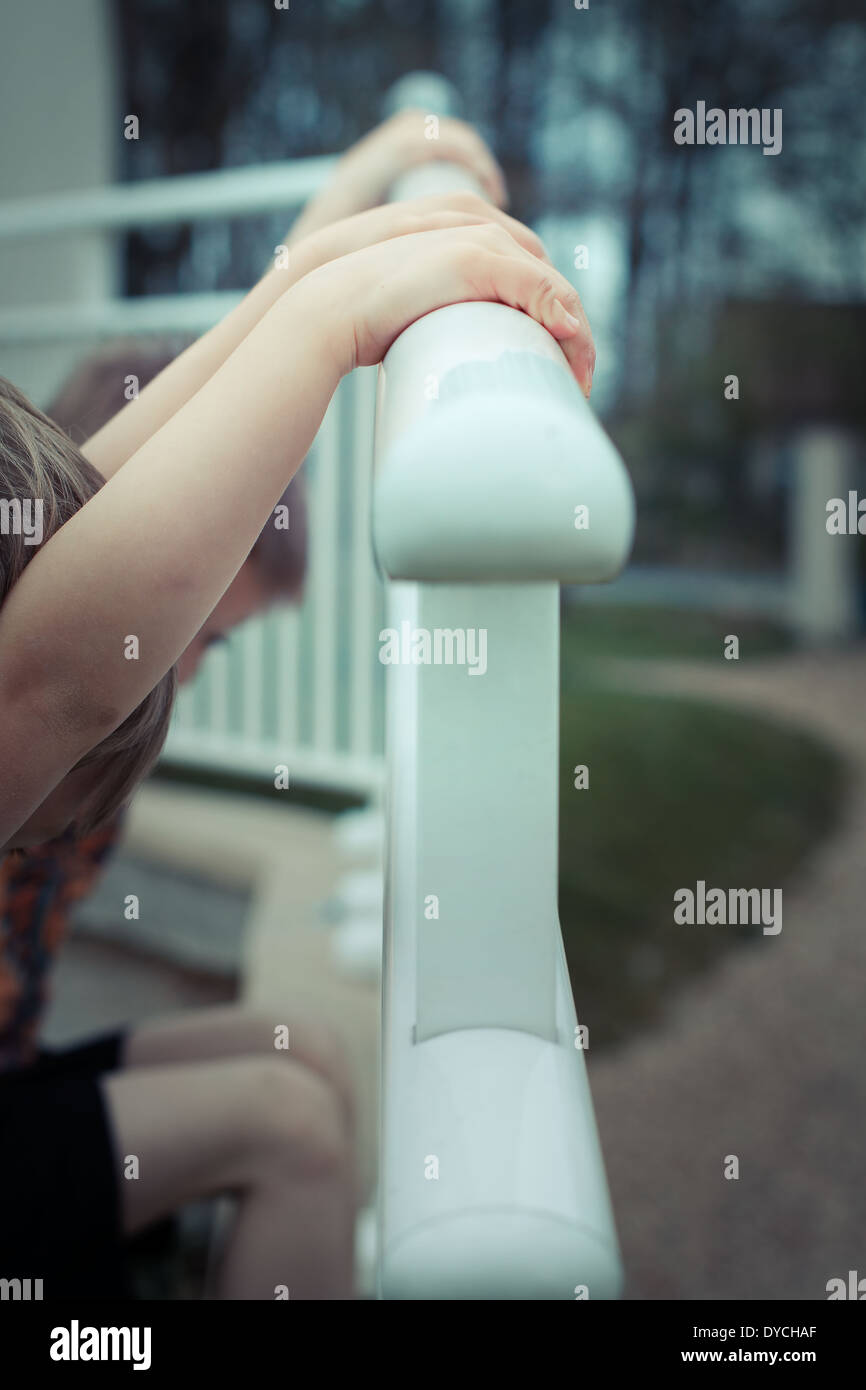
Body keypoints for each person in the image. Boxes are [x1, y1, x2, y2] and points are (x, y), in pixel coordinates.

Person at [0, 111, 595, 1299]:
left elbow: (129, 465)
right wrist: (333, 315)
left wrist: (350, 243)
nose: (166, 661)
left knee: (309, 1056)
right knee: (291, 1126)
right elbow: (54, 673)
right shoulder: (33, 692)